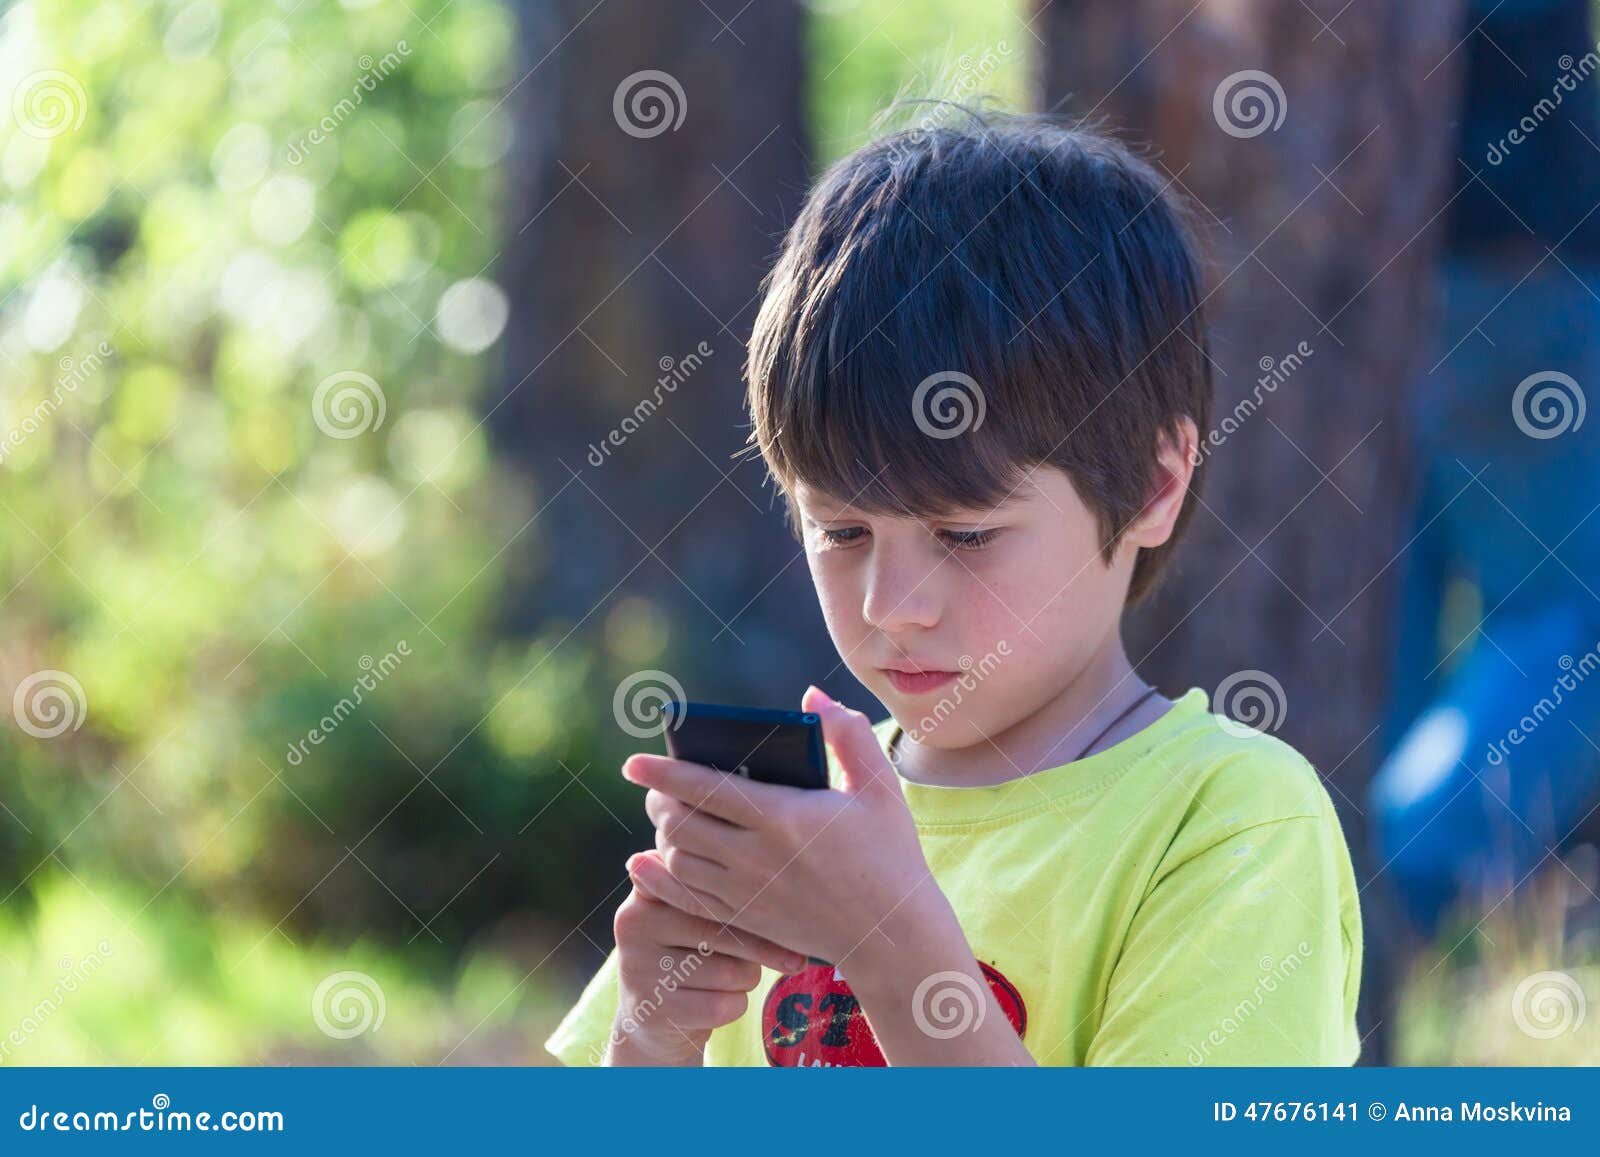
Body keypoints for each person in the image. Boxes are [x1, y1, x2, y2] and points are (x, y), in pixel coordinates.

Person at [546, 110, 1363, 1066]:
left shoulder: (1228, 821)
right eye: (841, 530)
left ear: (1153, 484)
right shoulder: (799, 830)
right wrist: (651, 1035)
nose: (892, 603)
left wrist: (892, 947)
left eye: (965, 534)